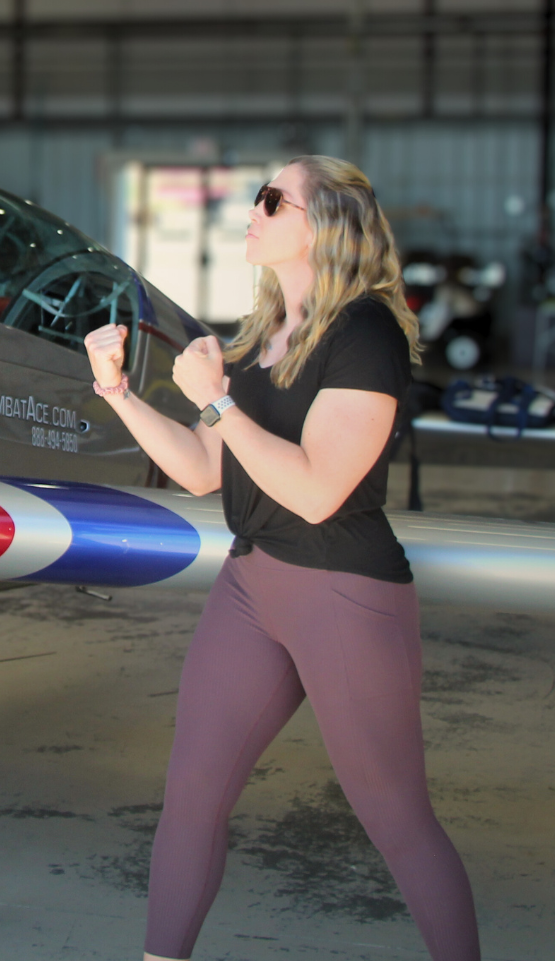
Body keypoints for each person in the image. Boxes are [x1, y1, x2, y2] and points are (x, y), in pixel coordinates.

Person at [84, 155, 478, 961]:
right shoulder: (264, 332)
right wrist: (119, 393)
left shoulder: (365, 331)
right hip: (252, 581)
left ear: (325, 224)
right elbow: (200, 470)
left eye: (273, 199)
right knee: (191, 795)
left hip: (343, 591)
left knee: (396, 817)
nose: (252, 211)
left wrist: (218, 402)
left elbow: (318, 491)